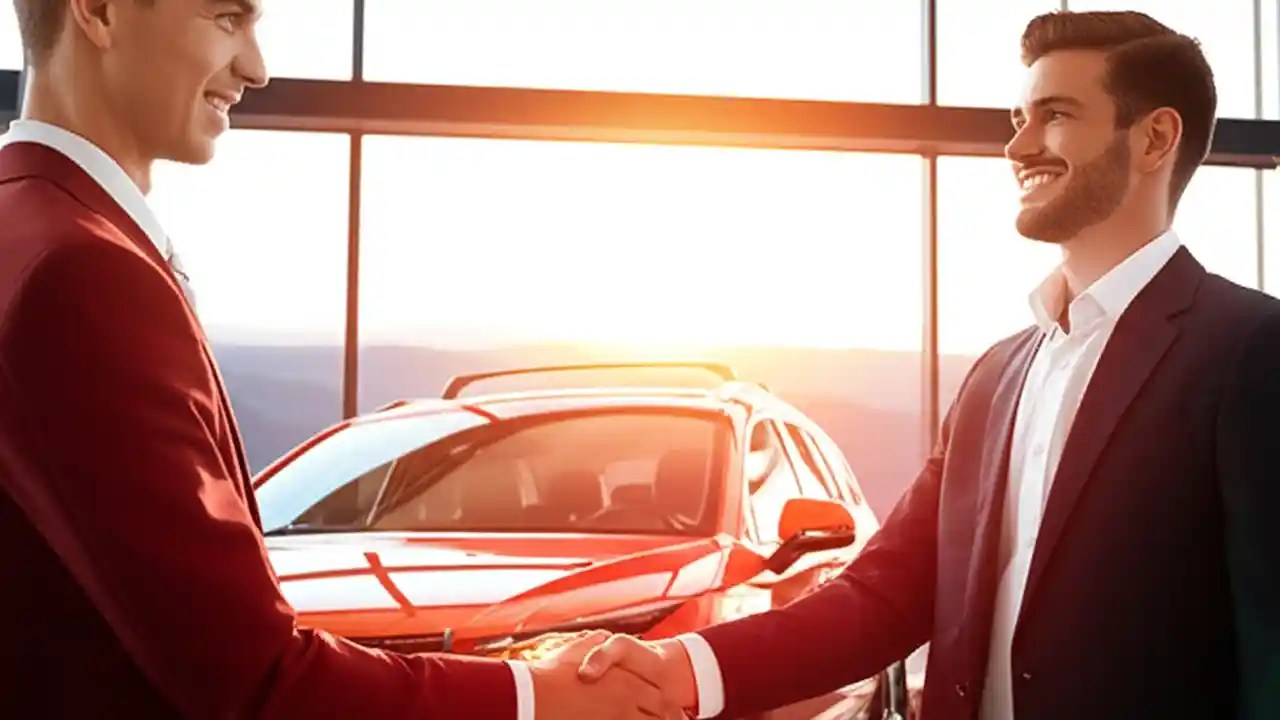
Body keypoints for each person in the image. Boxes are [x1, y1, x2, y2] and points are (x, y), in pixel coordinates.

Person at [576, 10, 1280, 720]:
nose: (1018, 145)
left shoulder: (1251, 349)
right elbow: (883, 597)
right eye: (1019, 119)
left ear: (1154, 138)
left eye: (1056, 115)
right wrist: (682, 668)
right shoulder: (996, 378)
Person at [0, 1, 673, 717]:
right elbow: (259, 683)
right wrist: (539, 697)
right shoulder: (84, 274)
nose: (256, 68)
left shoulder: (29, 230)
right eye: (227, 18)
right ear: (100, 10)